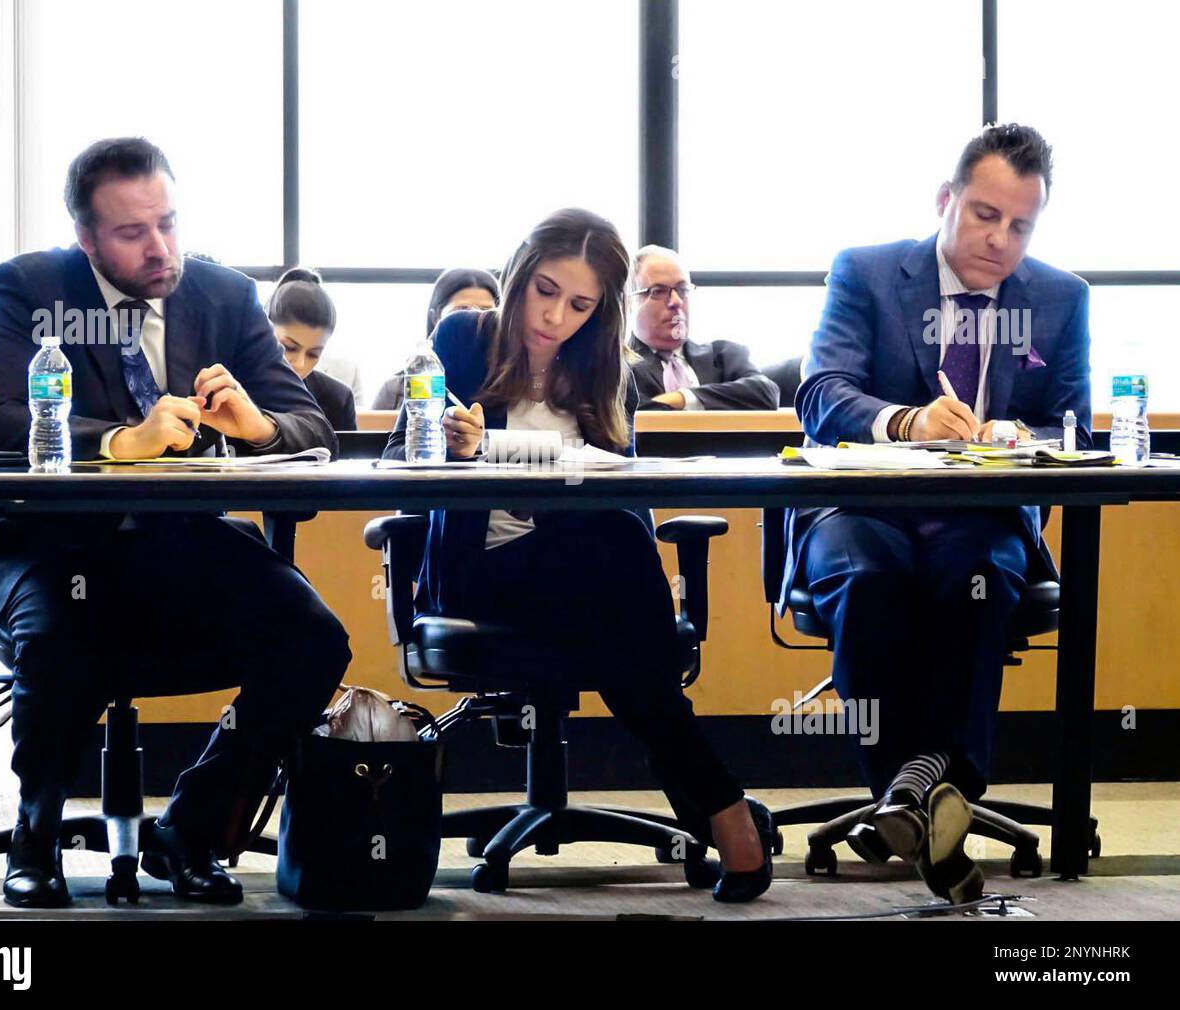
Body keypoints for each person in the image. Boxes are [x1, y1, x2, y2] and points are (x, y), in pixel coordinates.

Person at [0, 137, 352, 908]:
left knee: (313, 637)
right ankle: (33, 838)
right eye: (133, 233)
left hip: (180, 544)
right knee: (62, 636)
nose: (160, 248)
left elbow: (313, 427)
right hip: (52, 546)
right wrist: (118, 442)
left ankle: (192, 828)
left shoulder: (224, 296)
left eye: (168, 223)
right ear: (86, 238)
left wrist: (256, 426)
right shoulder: (32, 287)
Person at [383, 209, 771, 902]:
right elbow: (400, 459)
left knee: (609, 545)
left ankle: (715, 806)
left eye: (580, 304)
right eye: (544, 290)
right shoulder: (465, 338)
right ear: (519, 276)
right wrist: (448, 443)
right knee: (618, 554)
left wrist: (525, 460)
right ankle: (718, 806)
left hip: (584, 582)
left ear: (601, 312)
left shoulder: (604, 371)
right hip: (482, 574)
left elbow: (612, 479)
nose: (555, 316)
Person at [783, 124, 1091, 903]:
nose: (1000, 239)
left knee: (978, 578)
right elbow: (821, 394)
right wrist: (905, 421)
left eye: (1020, 225)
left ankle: (908, 797)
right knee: (875, 580)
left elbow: (1073, 426)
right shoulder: (870, 273)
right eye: (985, 214)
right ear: (946, 200)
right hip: (864, 508)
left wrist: (1025, 434)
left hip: (981, 515)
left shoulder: (1061, 298)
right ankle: (931, 794)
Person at [627, 246, 779, 411]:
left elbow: (766, 393)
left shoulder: (723, 356)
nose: (676, 301)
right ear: (629, 302)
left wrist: (682, 398)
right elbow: (636, 415)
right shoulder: (618, 368)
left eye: (683, 289)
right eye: (658, 291)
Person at [371, 267, 501, 410]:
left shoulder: (507, 383)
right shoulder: (396, 389)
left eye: (486, 312)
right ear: (435, 317)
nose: (474, 321)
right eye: (463, 310)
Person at [268, 267, 357, 430]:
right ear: (264, 330)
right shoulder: (229, 388)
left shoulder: (337, 399)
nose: (300, 364)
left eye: (313, 354)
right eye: (289, 348)